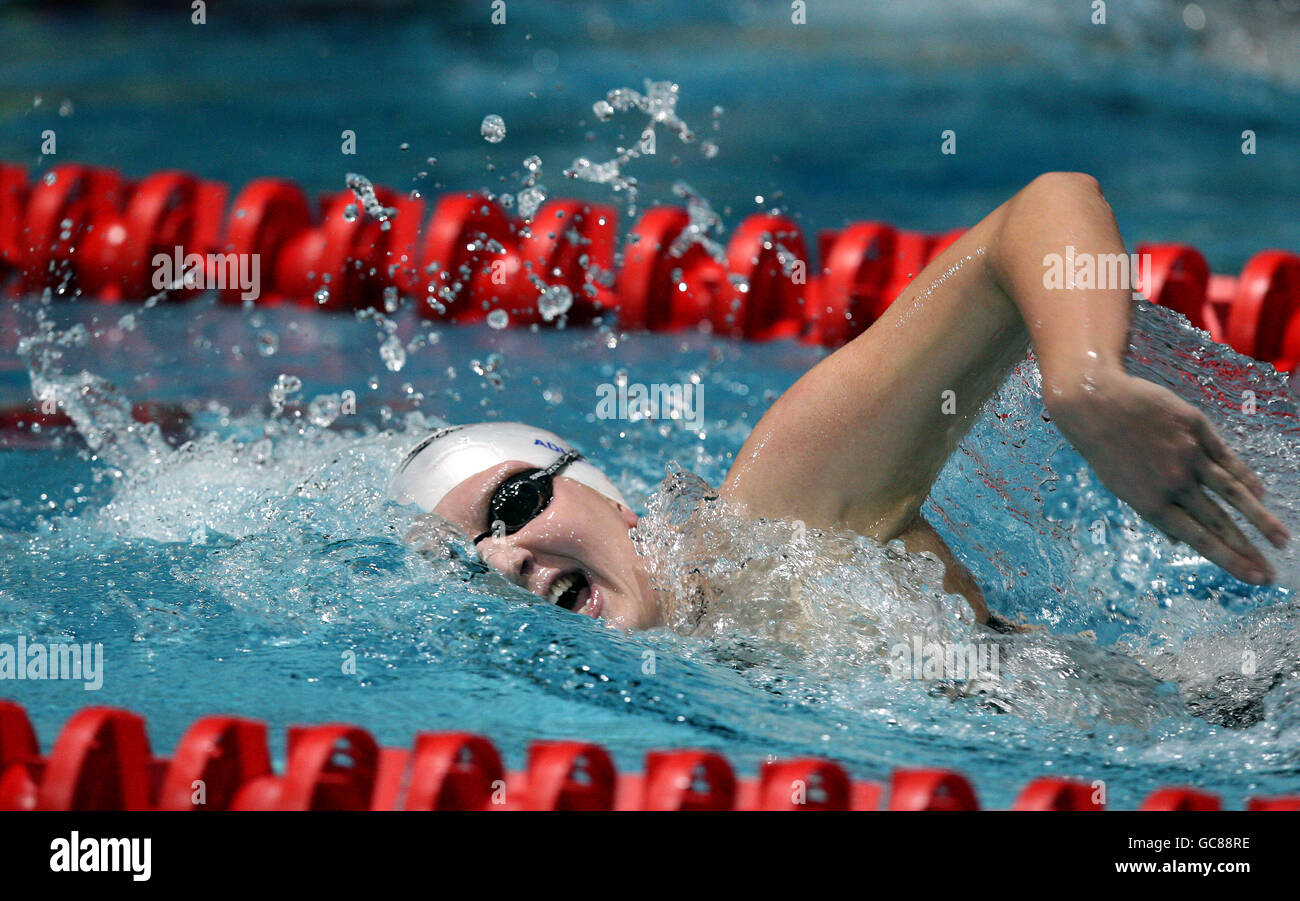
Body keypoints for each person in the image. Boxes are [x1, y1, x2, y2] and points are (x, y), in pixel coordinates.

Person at [389, 172, 1290, 631]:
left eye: (511, 503)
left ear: (606, 495)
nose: (504, 558)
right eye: (473, 564)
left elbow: (1046, 209)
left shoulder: (777, 516)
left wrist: (1089, 381)